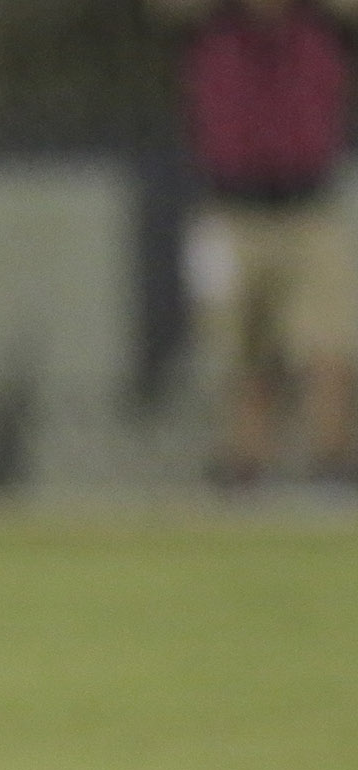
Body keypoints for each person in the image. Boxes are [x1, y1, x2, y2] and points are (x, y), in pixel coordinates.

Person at [153, 0, 358, 488]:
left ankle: (334, 462)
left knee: (329, 345)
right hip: (229, 212)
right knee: (240, 350)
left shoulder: (324, 22)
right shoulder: (208, 24)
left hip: (311, 209)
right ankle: (245, 464)